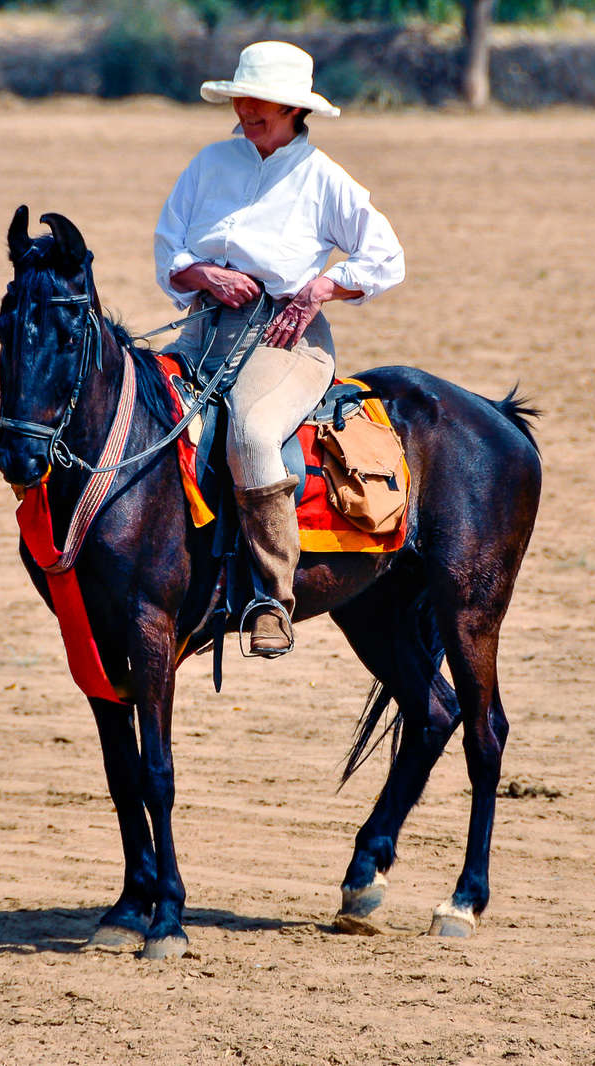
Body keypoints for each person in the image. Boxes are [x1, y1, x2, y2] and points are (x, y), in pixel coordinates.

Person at [153, 40, 406, 658]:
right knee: (140, 413)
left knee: (251, 432)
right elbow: (169, 251)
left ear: (294, 109)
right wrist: (205, 276)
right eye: (240, 99)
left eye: (258, 102)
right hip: (203, 327)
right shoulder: (209, 163)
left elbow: (386, 258)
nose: (245, 110)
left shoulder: (323, 178)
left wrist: (321, 286)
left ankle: (272, 596)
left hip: (286, 339)